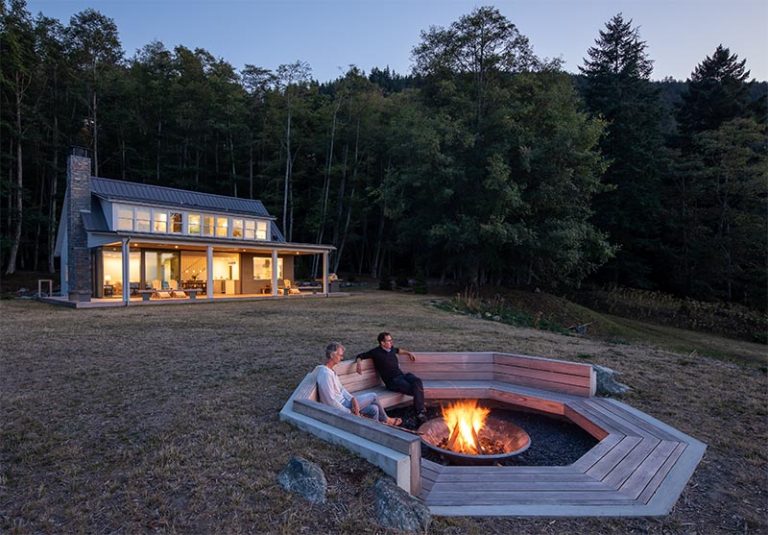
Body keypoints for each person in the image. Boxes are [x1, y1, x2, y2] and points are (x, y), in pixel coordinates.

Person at [317, 341, 401, 426]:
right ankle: (387, 419)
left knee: (374, 409)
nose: (342, 358)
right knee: (373, 396)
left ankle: (375, 429)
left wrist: (353, 399)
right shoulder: (325, 374)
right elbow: (330, 401)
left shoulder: (331, 371)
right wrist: (348, 412)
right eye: (340, 355)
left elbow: (341, 389)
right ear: (332, 355)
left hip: (347, 402)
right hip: (343, 407)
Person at [354, 332, 426, 423]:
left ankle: (419, 412)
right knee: (415, 390)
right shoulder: (376, 352)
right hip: (392, 381)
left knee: (417, 381)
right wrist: (359, 364)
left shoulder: (391, 349)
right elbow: (360, 356)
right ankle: (420, 412)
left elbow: (398, 350)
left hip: (402, 376)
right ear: (382, 343)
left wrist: (408, 353)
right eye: (388, 341)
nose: (391, 342)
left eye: (391, 340)